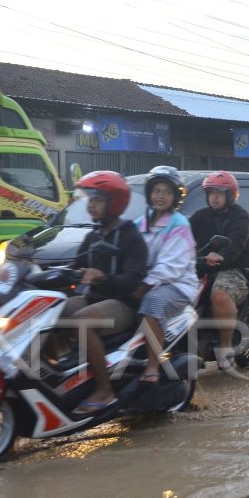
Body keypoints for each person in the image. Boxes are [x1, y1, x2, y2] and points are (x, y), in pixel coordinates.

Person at [59, 170, 149, 416]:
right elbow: (75, 266)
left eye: (97, 199)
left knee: (83, 322)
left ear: (114, 202)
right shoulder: (93, 235)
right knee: (49, 310)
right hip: (94, 298)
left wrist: (103, 277)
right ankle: (55, 375)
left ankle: (104, 390)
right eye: (90, 199)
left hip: (123, 304)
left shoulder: (131, 236)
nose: (91, 205)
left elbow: (133, 280)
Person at [135, 166, 198, 384]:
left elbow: (170, 267)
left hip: (177, 285)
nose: (160, 196)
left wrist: (143, 286)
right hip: (146, 282)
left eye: (166, 192)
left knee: (152, 301)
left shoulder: (179, 224)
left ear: (175, 197)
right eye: (157, 191)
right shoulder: (140, 223)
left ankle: (152, 365)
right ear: (149, 193)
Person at [189, 171, 249, 370]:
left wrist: (222, 256)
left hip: (234, 269)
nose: (214, 197)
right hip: (202, 268)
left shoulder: (240, 216)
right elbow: (185, 238)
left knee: (220, 294)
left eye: (219, 193)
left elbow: (236, 243)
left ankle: (225, 348)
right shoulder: (200, 216)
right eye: (210, 193)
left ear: (230, 195)